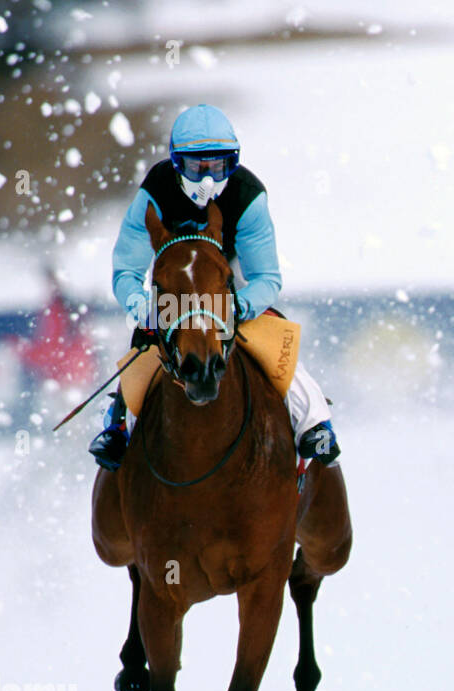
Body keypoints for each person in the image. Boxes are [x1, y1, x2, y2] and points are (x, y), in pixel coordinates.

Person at [89, 103, 339, 470]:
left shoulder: (248, 196)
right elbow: (126, 270)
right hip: (174, 290)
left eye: (218, 165)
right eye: (197, 166)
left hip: (226, 281)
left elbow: (266, 278)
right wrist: (140, 304)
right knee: (145, 342)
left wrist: (238, 306)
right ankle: (118, 425)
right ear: (177, 163)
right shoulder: (153, 193)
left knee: (268, 336)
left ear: (232, 163)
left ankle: (315, 423)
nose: (208, 178)